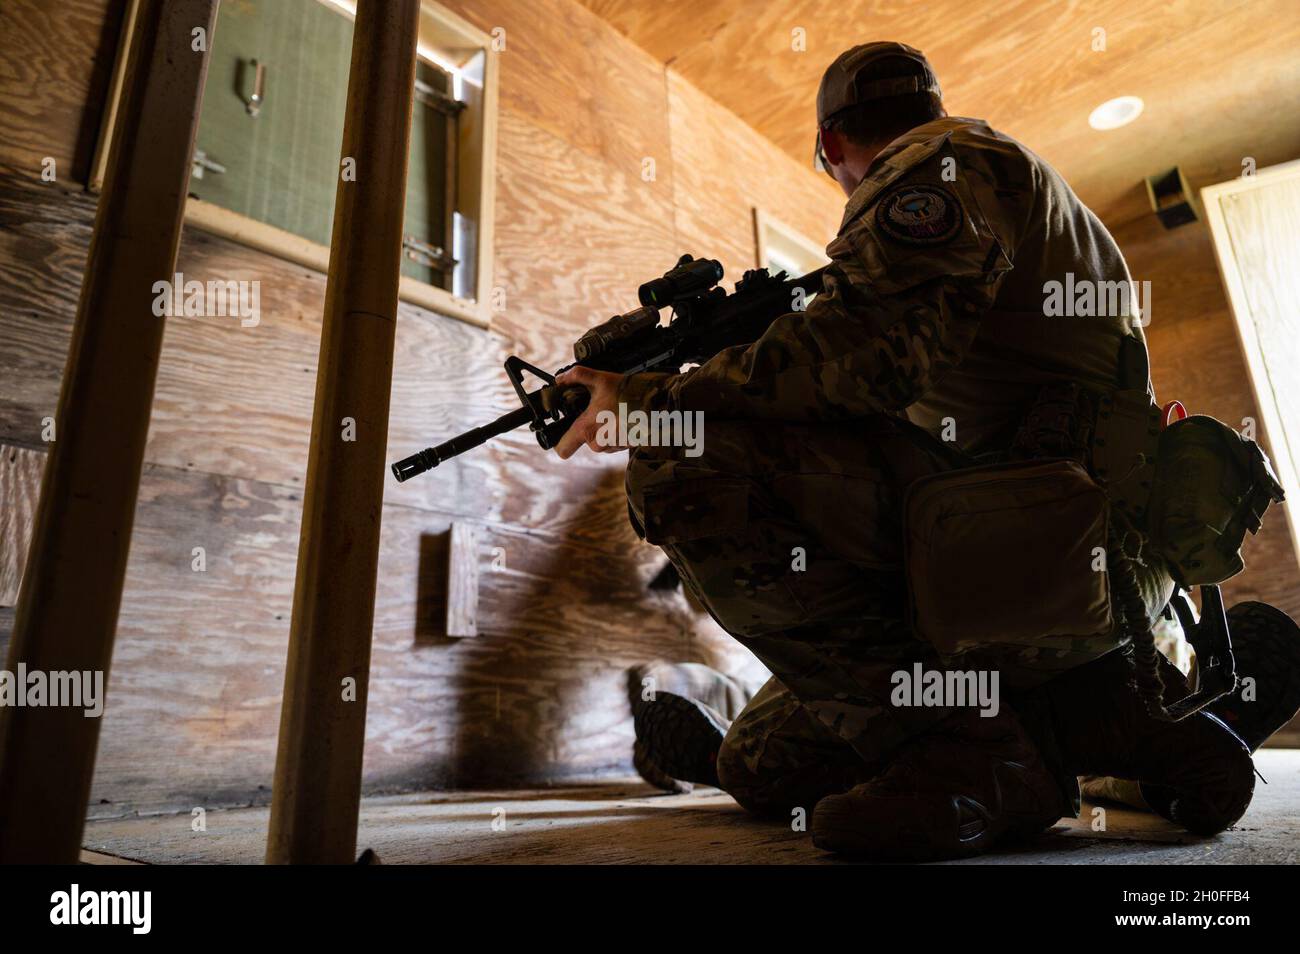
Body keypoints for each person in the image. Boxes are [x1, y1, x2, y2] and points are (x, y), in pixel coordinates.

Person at [554, 42, 1300, 860]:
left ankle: (975, 752)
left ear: (832, 148)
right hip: (1066, 579)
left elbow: (869, 359)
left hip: (1026, 560)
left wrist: (647, 402)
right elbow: (878, 380)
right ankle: (1130, 724)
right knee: (761, 767)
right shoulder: (1002, 180)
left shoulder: (939, 165)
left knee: (680, 459)